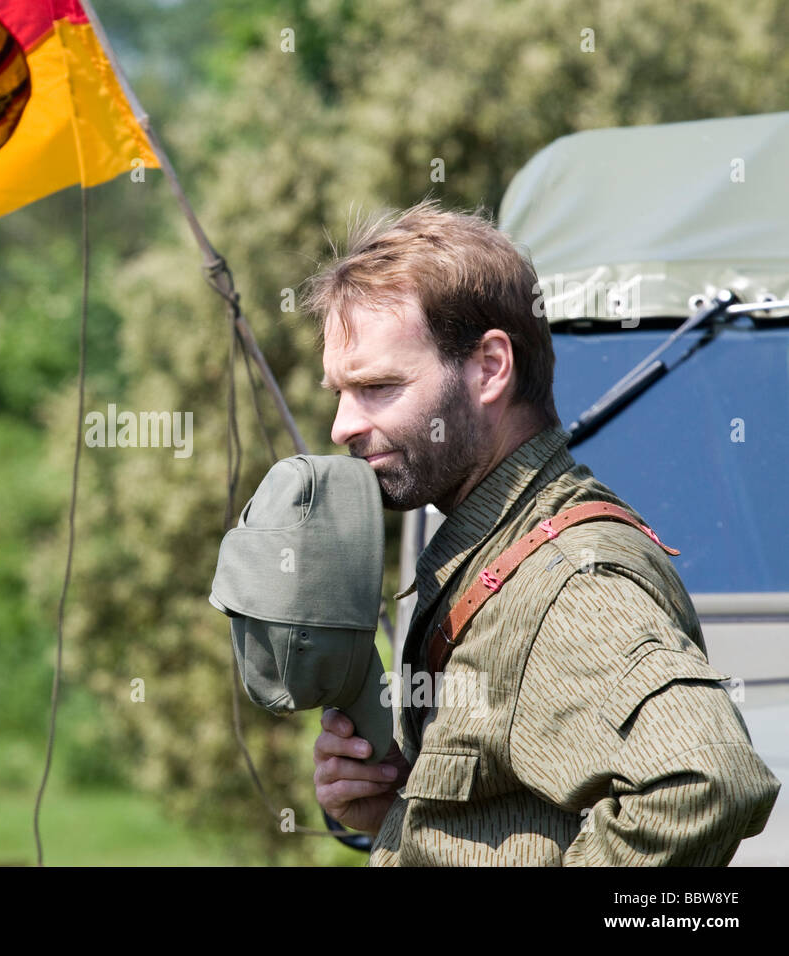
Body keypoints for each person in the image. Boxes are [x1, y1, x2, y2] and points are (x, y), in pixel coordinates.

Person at [304, 200, 780, 865]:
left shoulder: (566, 578)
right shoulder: (490, 555)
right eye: (339, 393)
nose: (344, 426)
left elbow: (706, 780)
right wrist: (398, 813)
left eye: (379, 386)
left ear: (491, 367)